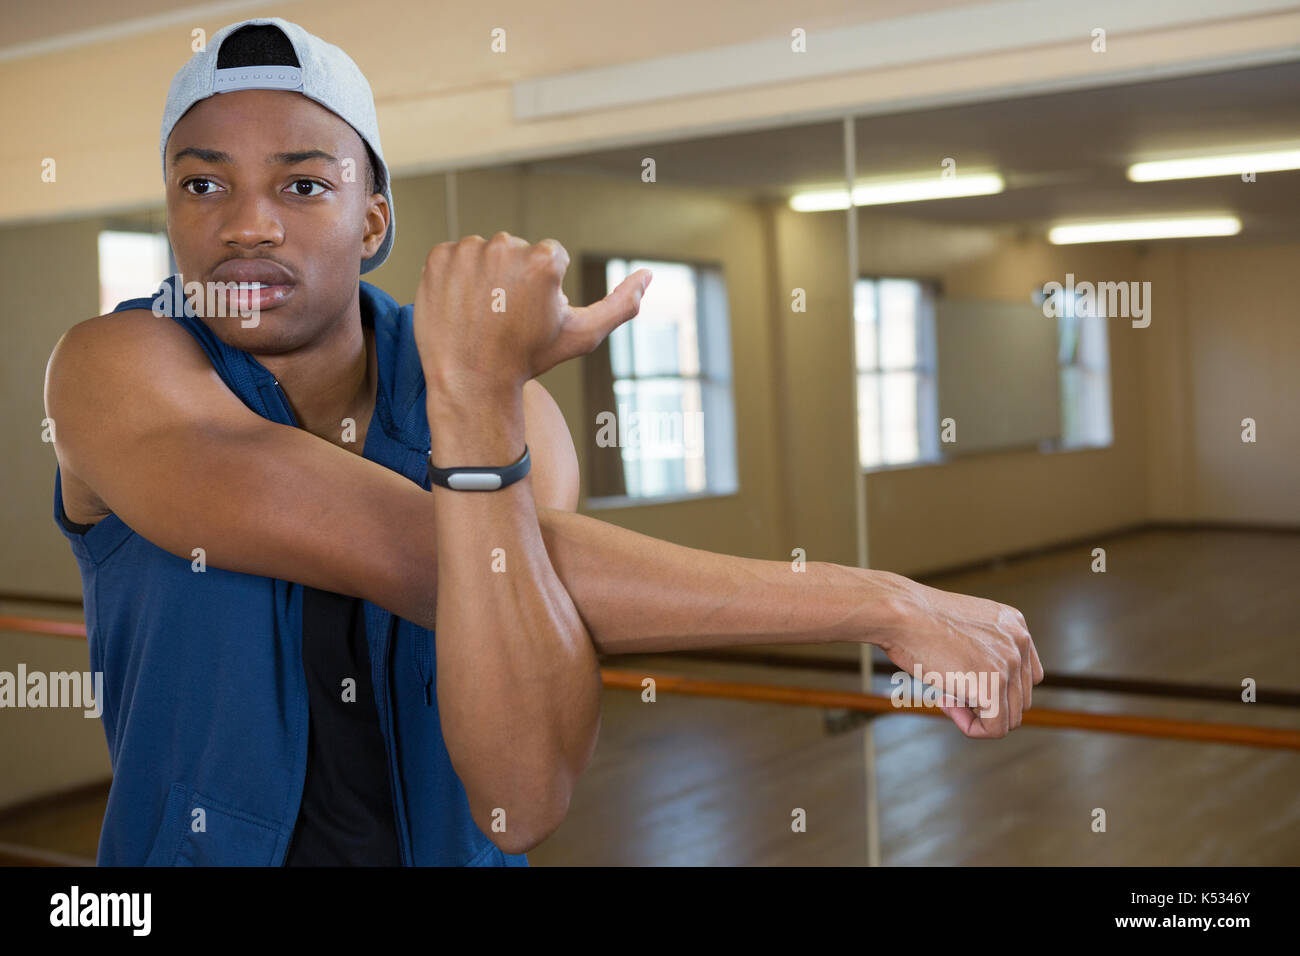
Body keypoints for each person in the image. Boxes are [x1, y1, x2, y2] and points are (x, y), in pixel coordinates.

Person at [44, 17, 1043, 866]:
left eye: (302, 185)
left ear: (372, 218)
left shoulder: (513, 413)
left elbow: (523, 796)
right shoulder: (114, 369)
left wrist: (479, 405)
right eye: (202, 186)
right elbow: (425, 556)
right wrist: (880, 602)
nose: (246, 226)